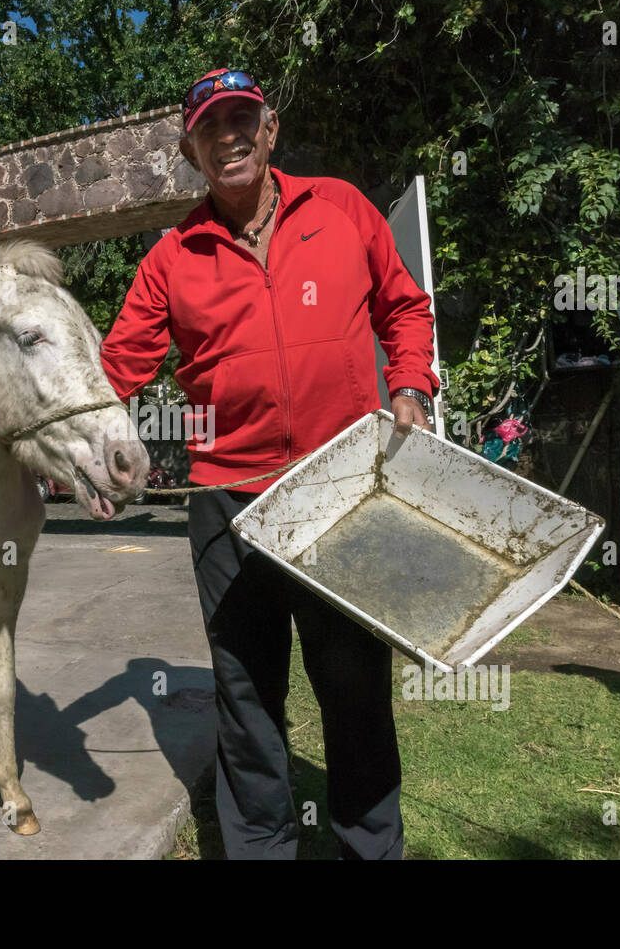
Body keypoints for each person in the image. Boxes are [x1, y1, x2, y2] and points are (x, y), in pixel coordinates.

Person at [100, 68, 439, 859]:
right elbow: (114, 367)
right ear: (191, 149)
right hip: (230, 504)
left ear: (271, 127)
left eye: (242, 120)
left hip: (345, 490)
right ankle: (260, 846)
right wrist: (61, 440)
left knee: (355, 689)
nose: (230, 138)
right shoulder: (173, 257)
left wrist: (411, 388)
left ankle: (369, 847)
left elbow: (404, 308)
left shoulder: (341, 208)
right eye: (211, 129)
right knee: (248, 696)